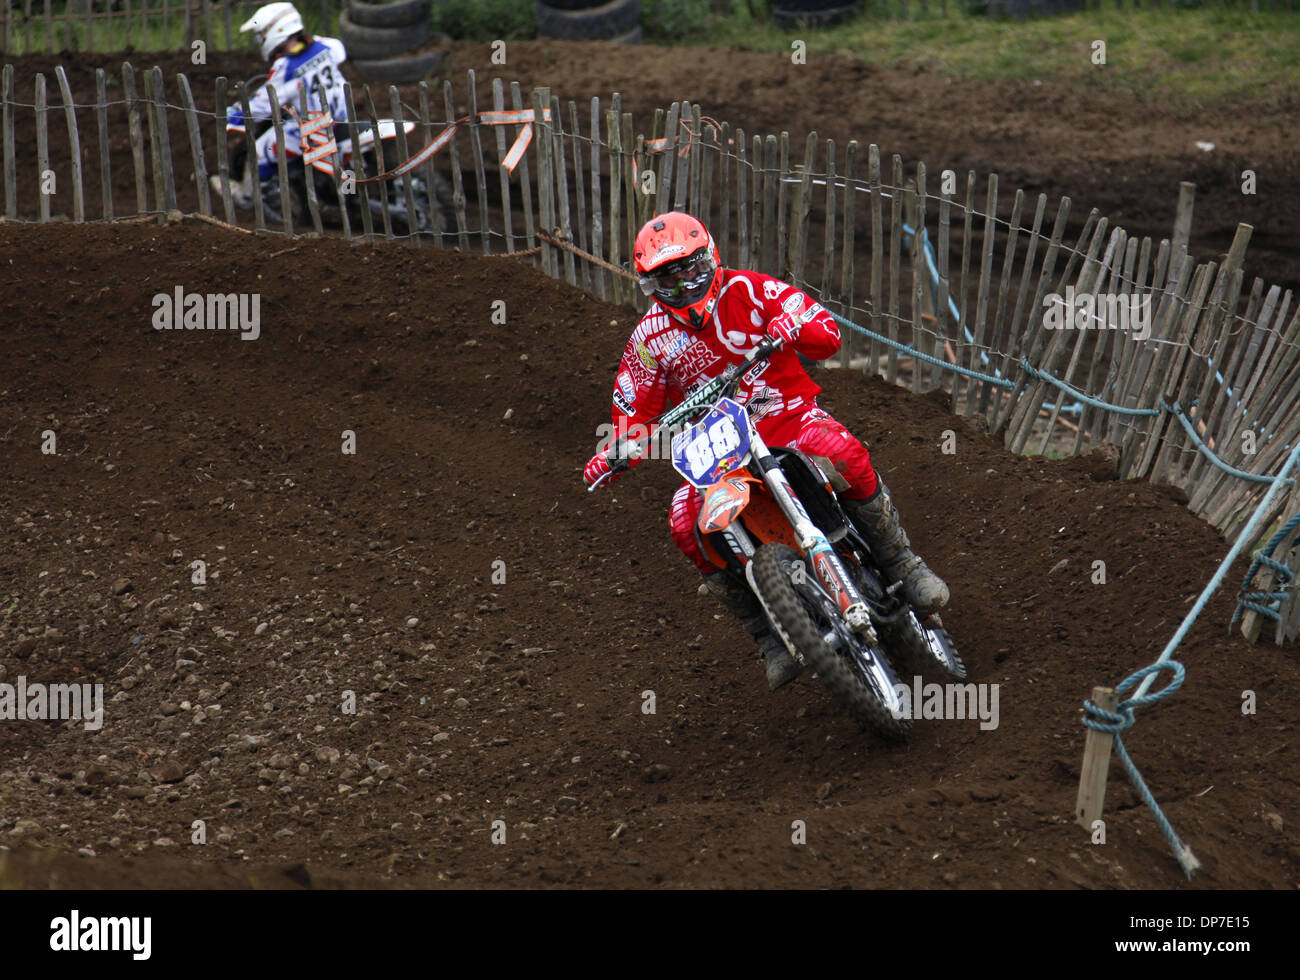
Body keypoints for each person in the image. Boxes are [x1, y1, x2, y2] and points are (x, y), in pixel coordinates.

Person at [584, 211, 949, 691]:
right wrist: (617, 449)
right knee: (684, 525)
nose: (685, 282)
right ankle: (768, 636)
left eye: (691, 268)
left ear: (710, 257)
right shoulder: (649, 341)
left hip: (786, 417)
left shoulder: (751, 291)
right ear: (651, 284)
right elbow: (631, 412)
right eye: (668, 276)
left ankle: (901, 560)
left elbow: (825, 333)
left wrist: (795, 326)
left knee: (844, 453)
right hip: (715, 452)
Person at [223, 2, 348, 221]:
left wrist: (235, 114)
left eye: (261, 35)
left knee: (259, 152)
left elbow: (263, 105)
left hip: (313, 129)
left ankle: (245, 196)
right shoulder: (325, 44)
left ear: (274, 32)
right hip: (343, 118)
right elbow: (341, 53)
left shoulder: (285, 67)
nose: (260, 40)